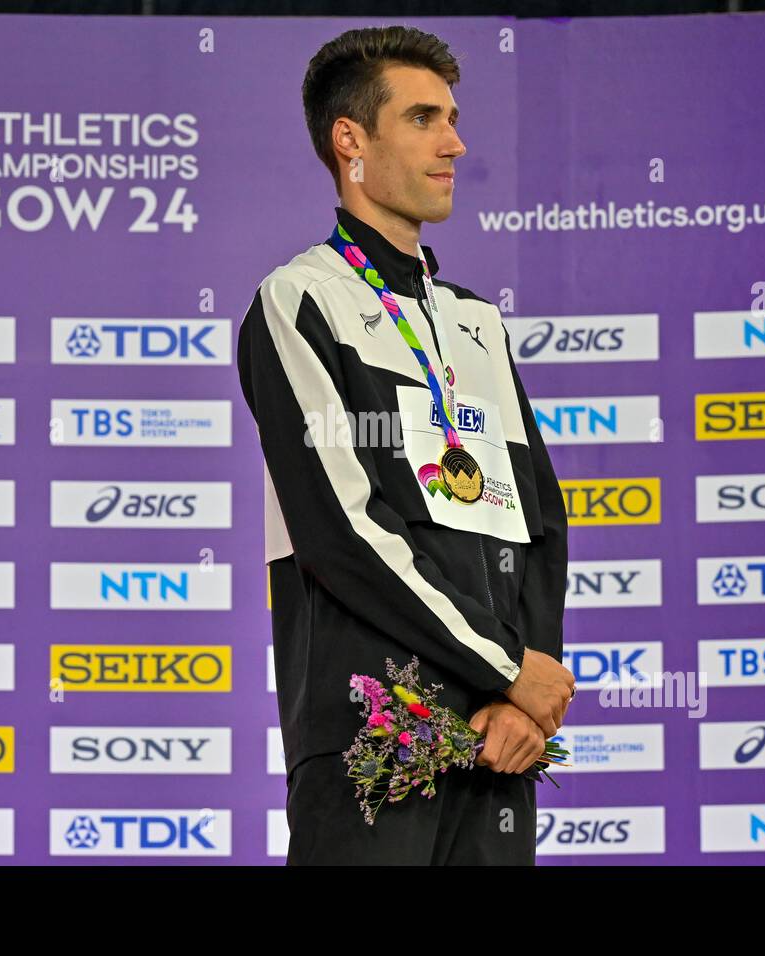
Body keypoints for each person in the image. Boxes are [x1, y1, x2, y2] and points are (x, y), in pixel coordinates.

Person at [236, 25, 575, 865]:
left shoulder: (475, 321)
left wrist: (523, 697)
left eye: (453, 117)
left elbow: (538, 522)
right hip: (374, 735)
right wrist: (506, 665)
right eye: (424, 118)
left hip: (498, 739)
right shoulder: (298, 300)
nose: (455, 143)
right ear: (350, 140)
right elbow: (340, 532)